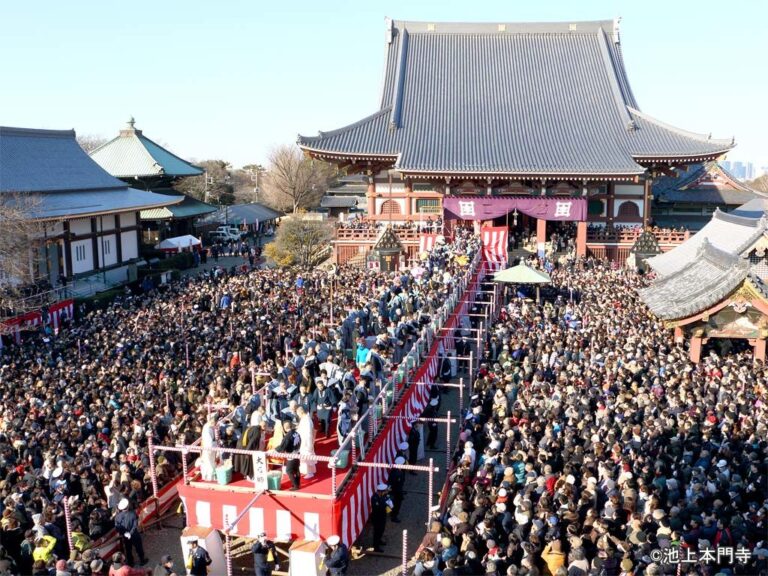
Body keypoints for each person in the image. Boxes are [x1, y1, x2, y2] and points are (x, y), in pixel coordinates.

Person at [114, 498, 147, 567]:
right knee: (139, 547)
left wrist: (125, 533)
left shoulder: (117, 517)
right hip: (134, 534)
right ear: (127, 506)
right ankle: (142, 560)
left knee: (128, 549)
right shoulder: (133, 513)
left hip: (125, 536)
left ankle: (131, 562)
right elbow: (135, 525)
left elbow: (118, 528)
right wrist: (130, 533)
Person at [276, 419, 301, 490]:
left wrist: (274, 450)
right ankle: (297, 483)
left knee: (289, 470)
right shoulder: (296, 433)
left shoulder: (288, 436)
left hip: (292, 455)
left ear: (284, 427)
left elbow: (282, 446)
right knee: (296, 469)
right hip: (297, 452)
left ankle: (295, 485)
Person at [296, 406, 316, 479]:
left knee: (307, 456)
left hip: (306, 441)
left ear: (301, 412)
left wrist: (307, 443)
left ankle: (309, 472)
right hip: (304, 440)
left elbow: (308, 433)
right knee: (304, 456)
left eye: (298, 413)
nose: (298, 415)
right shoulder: (304, 419)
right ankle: (308, 471)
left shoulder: (307, 420)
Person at [370, 483, 390, 552]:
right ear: (380, 491)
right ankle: (376, 547)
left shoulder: (382, 496)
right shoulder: (374, 498)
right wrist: (386, 505)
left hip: (382, 517)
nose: (385, 492)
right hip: (377, 518)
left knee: (381, 530)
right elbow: (379, 508)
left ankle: (379, 540)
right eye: (384, 491)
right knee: (377, 532)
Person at [200, 415, 218, 482]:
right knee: (208, 463)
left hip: (211, 447)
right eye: (213, 421)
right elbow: (208, 441)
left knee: (211, 462)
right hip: (208, 448)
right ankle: (209, 477)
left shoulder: (209, 427)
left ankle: (211, 476)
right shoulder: (207, 428)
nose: (214, 422)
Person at [389, 456, 406, 523]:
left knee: (395, 504)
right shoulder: (398, 473)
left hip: (396, 491)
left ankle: (393, 514)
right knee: (397, 504)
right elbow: (396, 484)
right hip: (397, 492)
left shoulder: (394, 471)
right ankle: (394, 516)